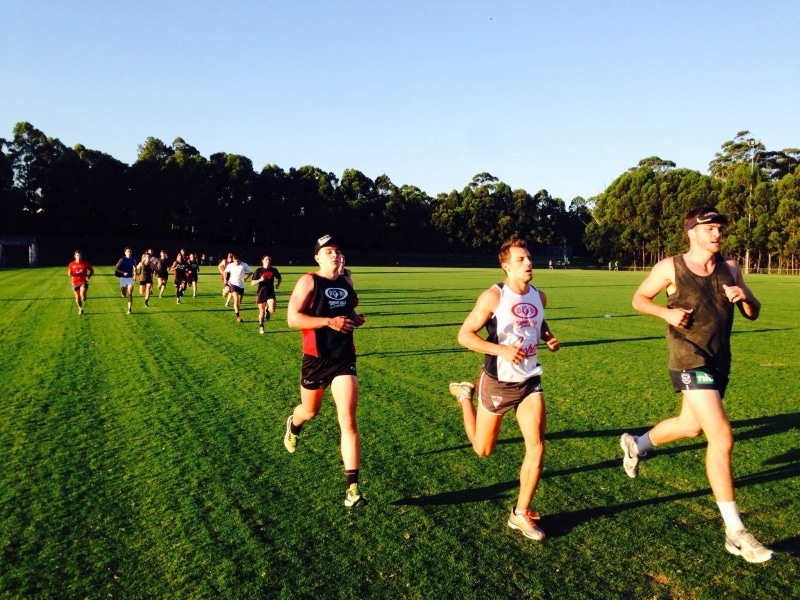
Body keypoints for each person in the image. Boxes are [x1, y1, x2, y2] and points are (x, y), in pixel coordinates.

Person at [621, 206, 773, 563]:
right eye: (710, 228)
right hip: (688, 357)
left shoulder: (730, 267)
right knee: (721, 437)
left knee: (689, 426)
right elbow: (638, 299)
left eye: (720, 228)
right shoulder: (669, 267)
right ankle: (735, 531)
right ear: (692, 232)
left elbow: (754, 311)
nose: (717, 233)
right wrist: (666, 312)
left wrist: (744, 297)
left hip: (719, 360)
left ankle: (637, 444)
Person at [449, 239, 559, 540]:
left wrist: (548, 337)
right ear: (506, 265)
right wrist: (501, 350)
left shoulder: (540, 296)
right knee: (483, 450)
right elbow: (464, 335)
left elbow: (539, 321)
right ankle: (464, 397)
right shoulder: (492, 297)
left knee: (537, 446)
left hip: (529, 380)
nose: (528, 263)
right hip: (497, 381)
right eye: (521, 259)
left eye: (529, 258)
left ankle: (520, 513)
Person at [283, 235, 367, 507]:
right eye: (328, 251)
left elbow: (348, 310)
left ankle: (352, 489)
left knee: (349, 421)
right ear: (318, 257)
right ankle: (294, 424)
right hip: (315, 358)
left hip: (343, 358)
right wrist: (329, 321)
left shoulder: (347, 281)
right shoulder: (309, 281)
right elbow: (292, 318)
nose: (335, 255)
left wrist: (354, 319)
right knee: (310, 411)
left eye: (338, 251)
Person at [251, 254, 282, 334]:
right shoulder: (258, 271)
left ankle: (267, 309)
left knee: (272, 309)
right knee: (261, 312)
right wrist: (260, 280)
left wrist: (278, 284)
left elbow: (279, 277)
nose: (268, 261)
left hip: (270, 293)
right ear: (263, 261)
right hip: (261, 294)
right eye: (266, 260)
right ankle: (261, 326)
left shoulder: (274, 270)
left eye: (269, 260)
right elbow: (252, 283)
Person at [223, 253, 253, 322]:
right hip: (233, 283)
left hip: (241, 285)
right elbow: (225, 272)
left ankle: (226, 292)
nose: (237, 262)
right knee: (236, 300)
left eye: (238, 261)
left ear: (240, 260)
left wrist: (246, 278)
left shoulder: (244, 265)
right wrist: (225, 279)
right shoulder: (230, 265)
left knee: (239, 302)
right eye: (235, 261)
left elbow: (251, 272)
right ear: (233, 260)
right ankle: (238, 316)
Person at [67, 249, 94, 314]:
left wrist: (89, 276)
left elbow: (92, 271)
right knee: (77, 297)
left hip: (83, 281)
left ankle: (84, 296)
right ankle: (80, 309)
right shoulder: (71, 264)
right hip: (75, 282)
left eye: (80, 255)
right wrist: (70, 274)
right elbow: (69, 274)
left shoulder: (86, 264)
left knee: (82, 295)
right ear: (74, 256)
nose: (78, 256)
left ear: (82, 256)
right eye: (77, 255)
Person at [114, 247, 137, 314]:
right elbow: (116, 269)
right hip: (123, 278)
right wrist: (123, 272)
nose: (129, 253)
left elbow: (135, 269)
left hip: (130, 278)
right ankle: (123, 293)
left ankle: (129, 309)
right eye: (128, 251)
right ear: (125, 253)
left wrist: (135, 275)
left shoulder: (134, 260)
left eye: (130, 251)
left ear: (131, 253)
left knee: (130, 293)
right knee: (124, 294)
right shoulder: (122, 259)